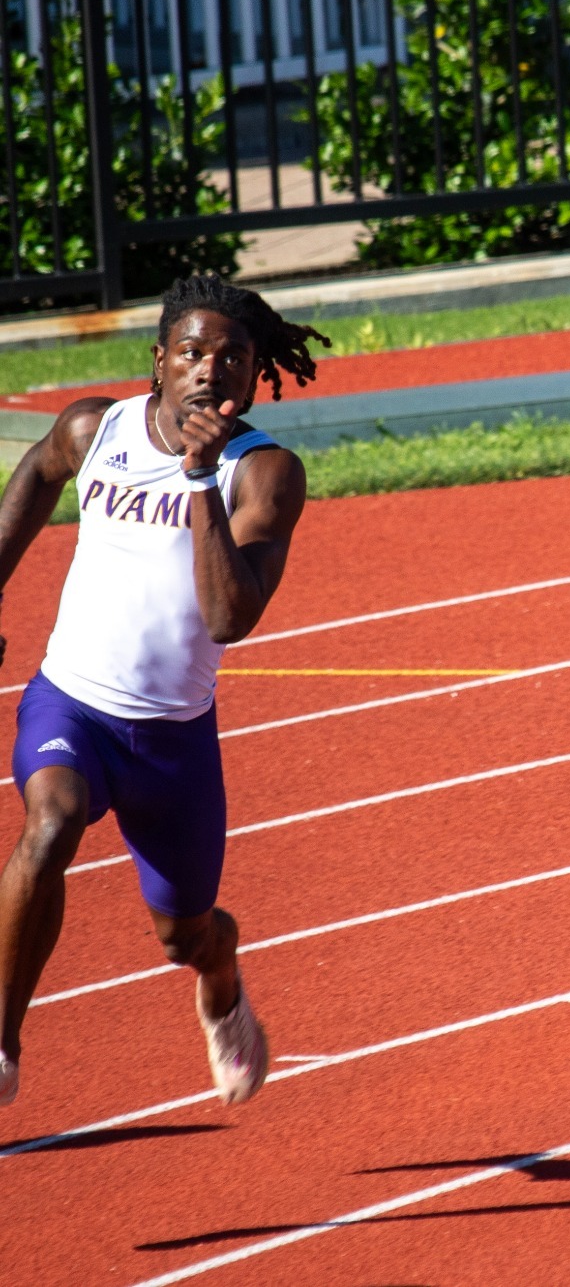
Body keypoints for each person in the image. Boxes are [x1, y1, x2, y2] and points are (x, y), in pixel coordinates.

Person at [0, 276, 322, 1109]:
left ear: (253, 377)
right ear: (159, 362)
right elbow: (37, 475)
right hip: (70, 701)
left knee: (186, 933)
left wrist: (197, 480)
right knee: (51, 820)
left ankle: (221, 980)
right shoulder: (93, 428)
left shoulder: (265, 475)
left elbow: (226, 617)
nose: (208, 370)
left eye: (231, 358)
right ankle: (0, 1044)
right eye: (191, 353)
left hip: (171, 741)